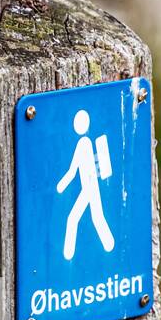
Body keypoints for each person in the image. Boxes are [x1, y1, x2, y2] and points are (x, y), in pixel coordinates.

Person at [56, 109, 115, 261]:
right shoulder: (84, 143)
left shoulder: (84, 143)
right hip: (88, 187)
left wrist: (61, 186)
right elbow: (73, 170)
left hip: (90, 187)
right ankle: (109, 246)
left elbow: (72, 170)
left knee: (79, 218)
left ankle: (69, 255)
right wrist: (62, 185)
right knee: (93, 217)